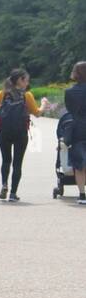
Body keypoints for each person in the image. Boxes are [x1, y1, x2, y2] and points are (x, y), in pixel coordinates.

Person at [0, 67, 42, 202]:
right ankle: (13, 193)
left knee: (6, 161)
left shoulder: (2, 94)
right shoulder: (27, 95)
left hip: (4, 131)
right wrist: (43, 105)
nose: (27, 83)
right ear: (20, 80)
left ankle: (4, 185)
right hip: (21, 132)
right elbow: (37, 113)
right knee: (17, 163)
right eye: (26, 80)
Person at [63, 61, 86, 204]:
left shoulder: (69, 92)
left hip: (77, 128)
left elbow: (70, 110)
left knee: (79, 163)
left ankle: (82, 195)